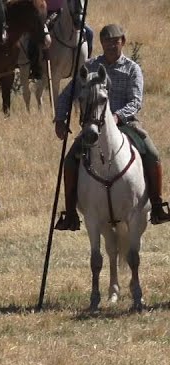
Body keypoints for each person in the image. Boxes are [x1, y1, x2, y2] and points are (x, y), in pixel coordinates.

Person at [53, 24, 170, 229]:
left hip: (127, 124)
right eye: (106, 42)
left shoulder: (132, 69)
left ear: (123, 42)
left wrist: (117, 116)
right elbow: (67, 95)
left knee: (152, 154)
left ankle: (157, 206)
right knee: (70, 161)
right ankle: (71, 213)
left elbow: (135, 101)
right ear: (101, 43)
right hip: (94, 126)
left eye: (115, 41)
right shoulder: (90, 67)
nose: (110, 46)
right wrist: (61, 119)